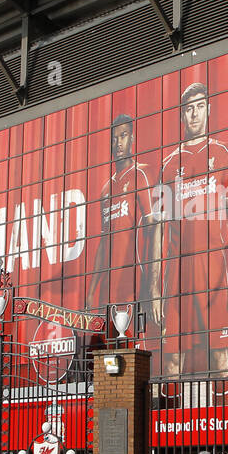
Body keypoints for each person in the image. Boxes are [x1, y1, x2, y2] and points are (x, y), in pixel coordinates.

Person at [151, 82, 228, 392]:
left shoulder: (222, 153)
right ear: (182, 114)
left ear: (208, 109)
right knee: (173, 358)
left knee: (221, 355)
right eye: (188, 108)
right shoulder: (168, 165)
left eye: (199, 106)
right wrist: (155, 288)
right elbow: (160, 229)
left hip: (214, 269)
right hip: (178, 276)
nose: (194, 113)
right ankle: (166, 435)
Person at [86, 114, 154, 319]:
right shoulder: (105, 189)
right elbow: (103, 242)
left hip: (131, 283)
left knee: (129, 347)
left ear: (132, 139)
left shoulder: (141, 175)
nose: (118, 143)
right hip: (107, 289)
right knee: (104, 348)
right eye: (114, 139)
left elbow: (153, 230)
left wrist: (151, 281)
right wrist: (91, 291)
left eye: (123, 136)